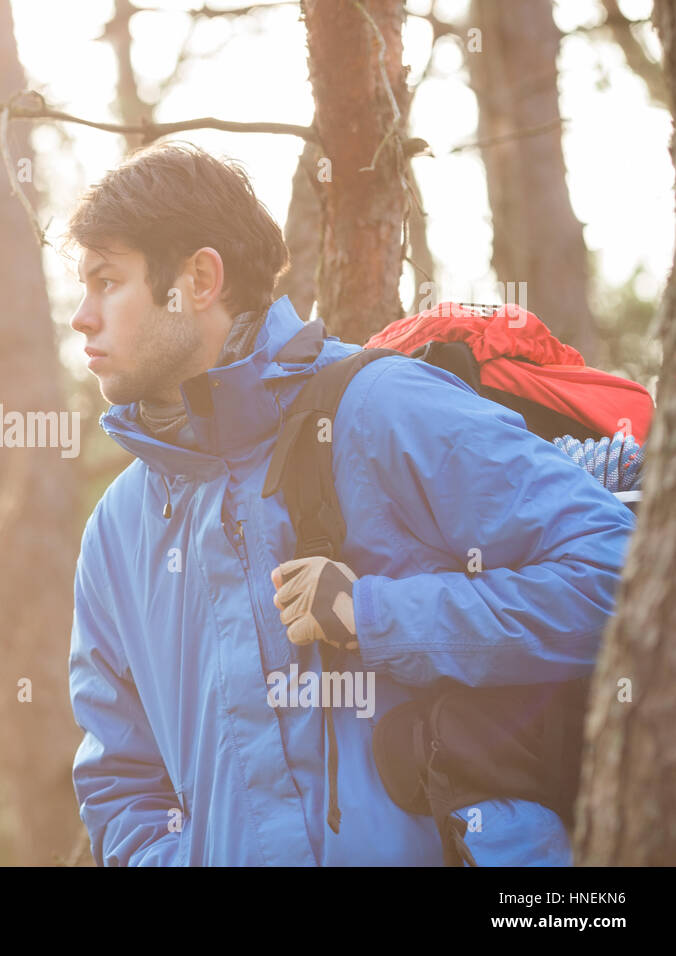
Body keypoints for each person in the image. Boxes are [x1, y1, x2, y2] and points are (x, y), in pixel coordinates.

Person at [64, 140, 635, 866]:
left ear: (199, 279)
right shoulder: (116, 533)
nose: (82, 316)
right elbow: (120, 781)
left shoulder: (383, 409)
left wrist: (376, 616)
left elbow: (623, 581)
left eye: (106, 281)